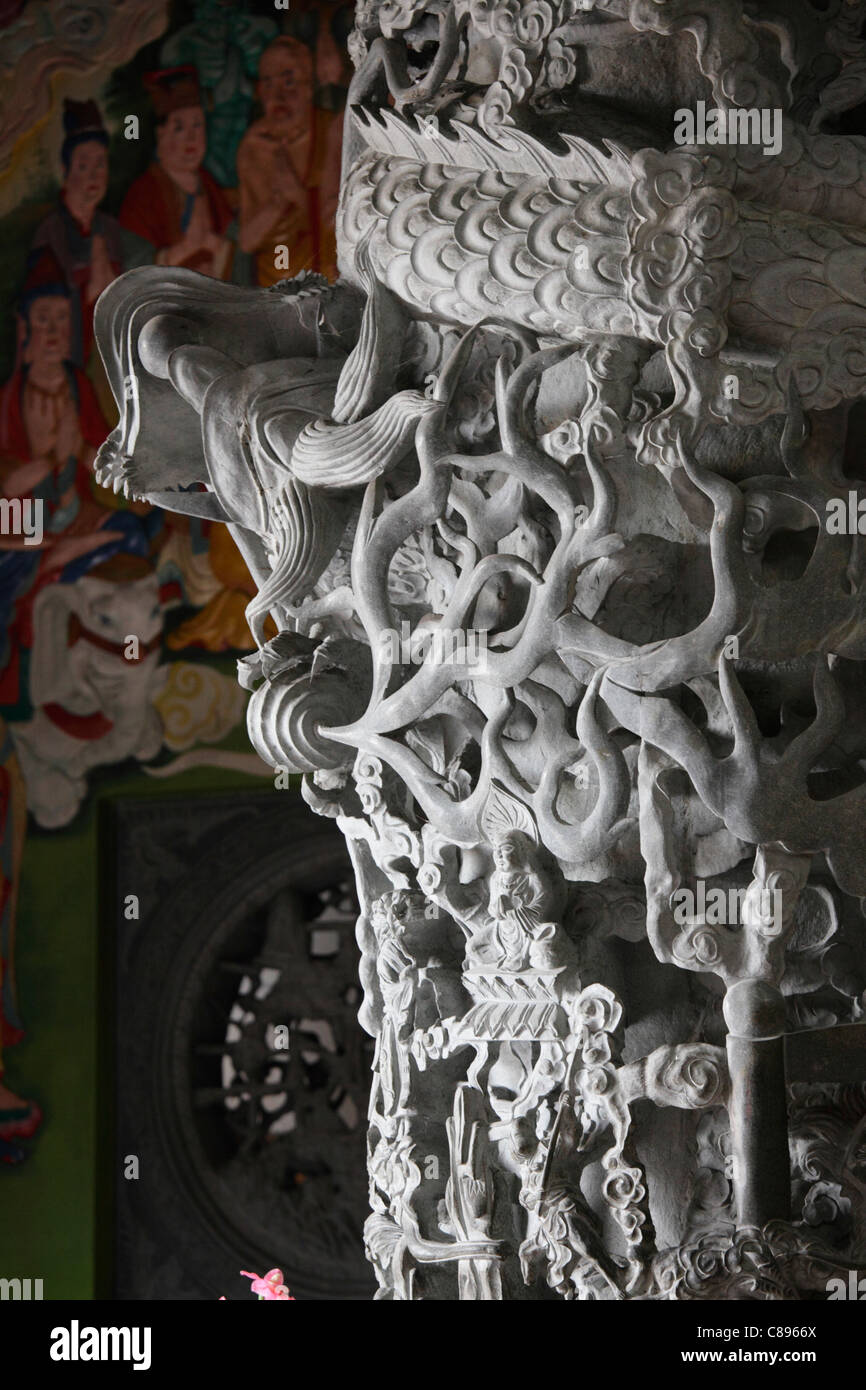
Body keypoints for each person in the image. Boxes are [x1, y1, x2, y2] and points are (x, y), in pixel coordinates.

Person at [0, 249, 126, 706]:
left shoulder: (77, 384)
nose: (53, 331)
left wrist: (112, 466)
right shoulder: (11, 398)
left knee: (133, 531)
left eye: (60, 319)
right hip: (22, 516)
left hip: (73, 511)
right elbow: (9, 486)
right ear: (24, 327)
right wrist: (53, 455)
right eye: (43, 319)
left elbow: (95, 450)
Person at [236, 37, 341, 287]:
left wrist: (298, 195)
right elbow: (247, 240)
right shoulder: (253, 146)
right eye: (268, 84)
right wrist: (277, 204)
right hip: (274, 286)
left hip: (328, 279)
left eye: (289, 80)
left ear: (308, 87)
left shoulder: (332, 131)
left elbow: (339, 221)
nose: (278, 95)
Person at [31, 100, 125, 370]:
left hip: (112, 351)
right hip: (71, 358)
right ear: (66, 170)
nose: (94, 176)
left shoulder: (109, 228)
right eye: (83, 166)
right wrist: (92, 288)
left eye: (100, 165)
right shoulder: (51, 232)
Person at [119, 66, 234, 279]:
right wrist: (179, 253)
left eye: (197, 125)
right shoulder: (142, 194)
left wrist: (218, 246)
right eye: (179, 128)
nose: (191, 138)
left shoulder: (209, 186)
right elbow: (131, 268)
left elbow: (235, 247)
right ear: (161, 134)